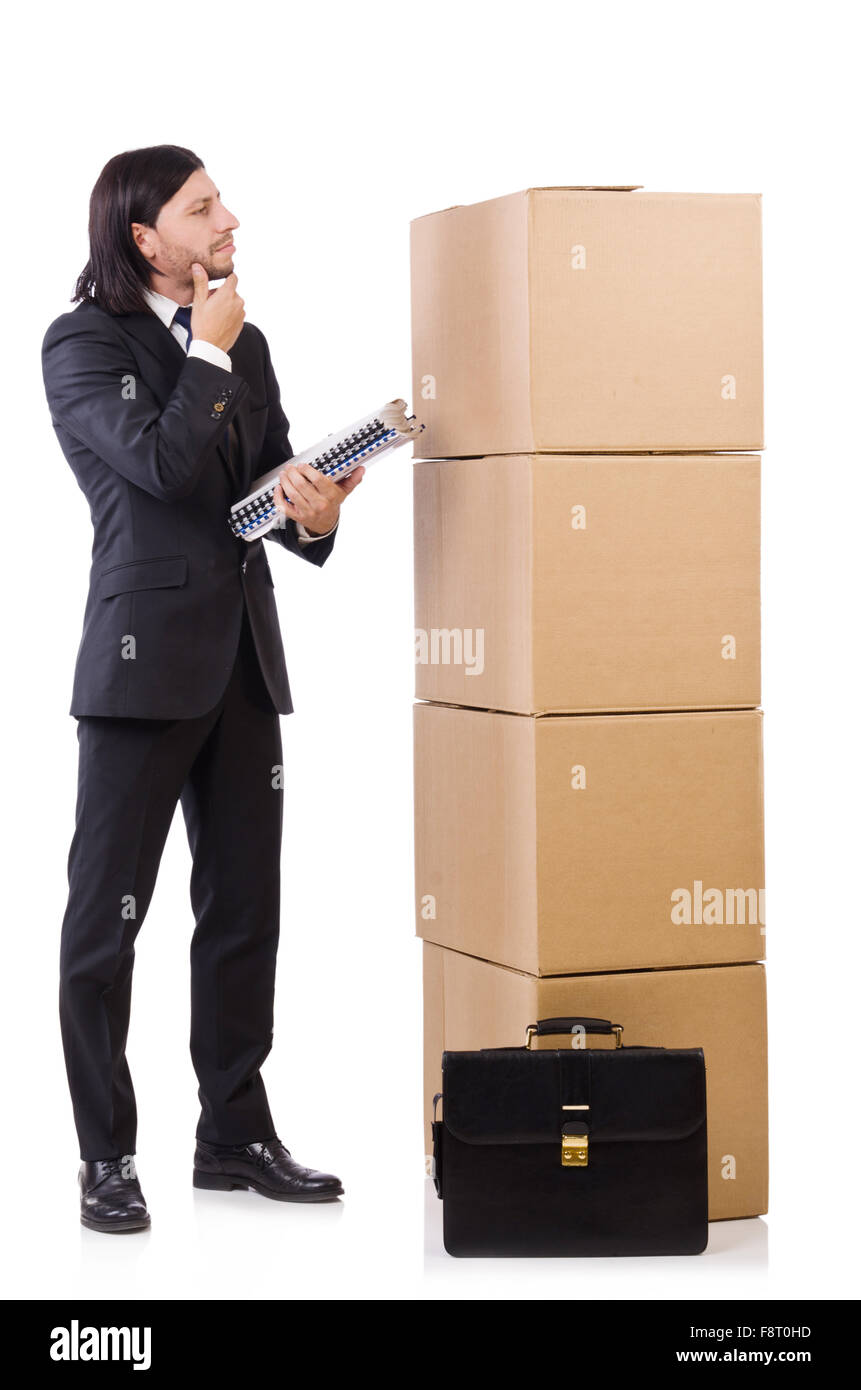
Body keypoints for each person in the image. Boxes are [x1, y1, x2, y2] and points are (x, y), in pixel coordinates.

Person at [41, 145, 364, 1233]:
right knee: (106, 924)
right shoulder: (82, 344)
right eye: (203, 206)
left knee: (242, 911)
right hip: (139, 671)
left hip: (240, 664)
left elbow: (258, 484)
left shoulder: (247, 343)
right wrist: (209, 359)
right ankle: (105, 1155)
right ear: (148, 238)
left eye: (220, 199)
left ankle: (233, 1134)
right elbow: (161, 470)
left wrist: (314, 507)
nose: (229, 218)